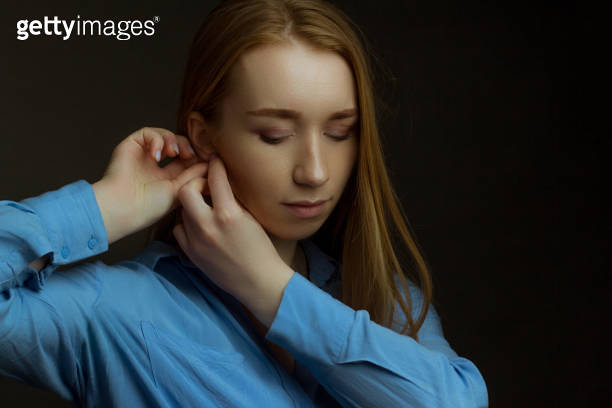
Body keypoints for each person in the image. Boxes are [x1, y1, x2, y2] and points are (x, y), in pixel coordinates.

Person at [0, 0, 489, 406]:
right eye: (275, 135)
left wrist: (271, 290)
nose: (315, 171)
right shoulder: (113, 312)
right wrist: (107, 205)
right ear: (204, 136)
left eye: (340, 132)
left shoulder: (387, 298)